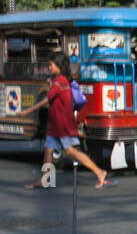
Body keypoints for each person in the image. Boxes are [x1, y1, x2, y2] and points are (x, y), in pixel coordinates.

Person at [16, 52, 113, 189]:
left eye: (51, 65)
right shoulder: (61, 80)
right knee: (48, 150)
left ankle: (99, 172)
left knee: (70, 151)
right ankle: (45, 180)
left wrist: (27, 111)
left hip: (63, 123)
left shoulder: (60, 81)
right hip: (55, 123)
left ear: (58, 66)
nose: (49, 67)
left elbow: (46, 99)